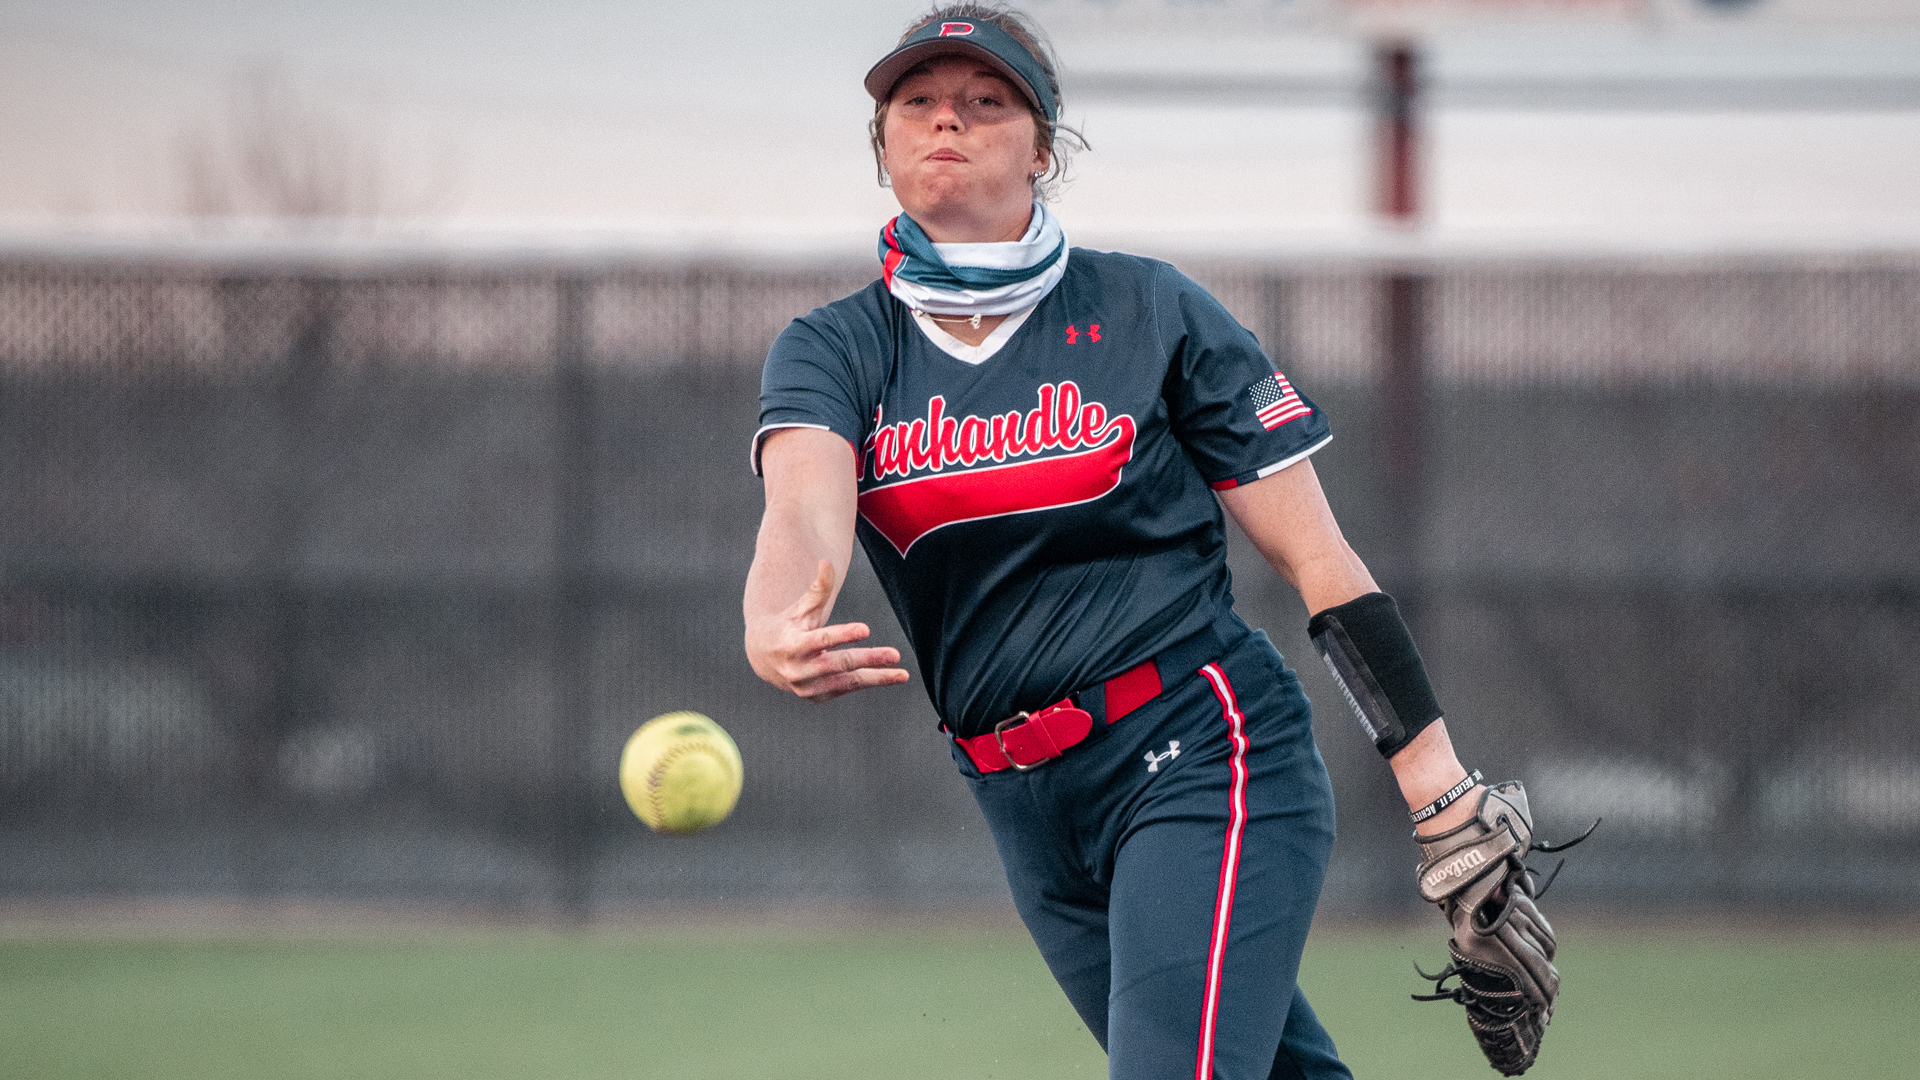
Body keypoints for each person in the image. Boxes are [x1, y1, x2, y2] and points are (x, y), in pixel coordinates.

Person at [743, 7, 1528, 1078]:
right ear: (880, 145)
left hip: (1201, 753)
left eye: (986, 102)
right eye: (915, 102)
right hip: (1021, 802)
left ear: (1044, 147)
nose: (946, 122)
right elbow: (802, 509)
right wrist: (773, 613)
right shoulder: (838, 347)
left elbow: (1321, 562)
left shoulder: (1149, 311)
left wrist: (1435, 787)